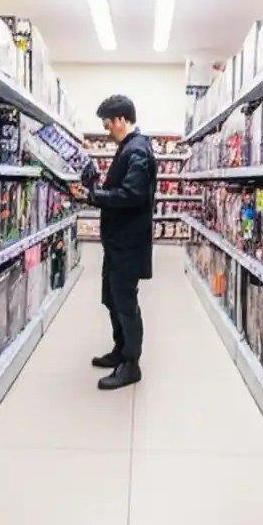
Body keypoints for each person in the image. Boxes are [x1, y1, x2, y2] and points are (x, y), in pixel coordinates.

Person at [78, 94, 154, 390]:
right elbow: (120, 188)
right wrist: (95, 185)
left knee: (125, 302)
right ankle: (120, 350)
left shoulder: (138, 150)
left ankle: (131, 364)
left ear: (122, 119)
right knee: (112, 298)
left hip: (128, 244)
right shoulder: (128, 148)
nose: (106, 129)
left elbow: (132, 194)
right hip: (117, 242)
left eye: (108, 123)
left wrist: (94, 196)